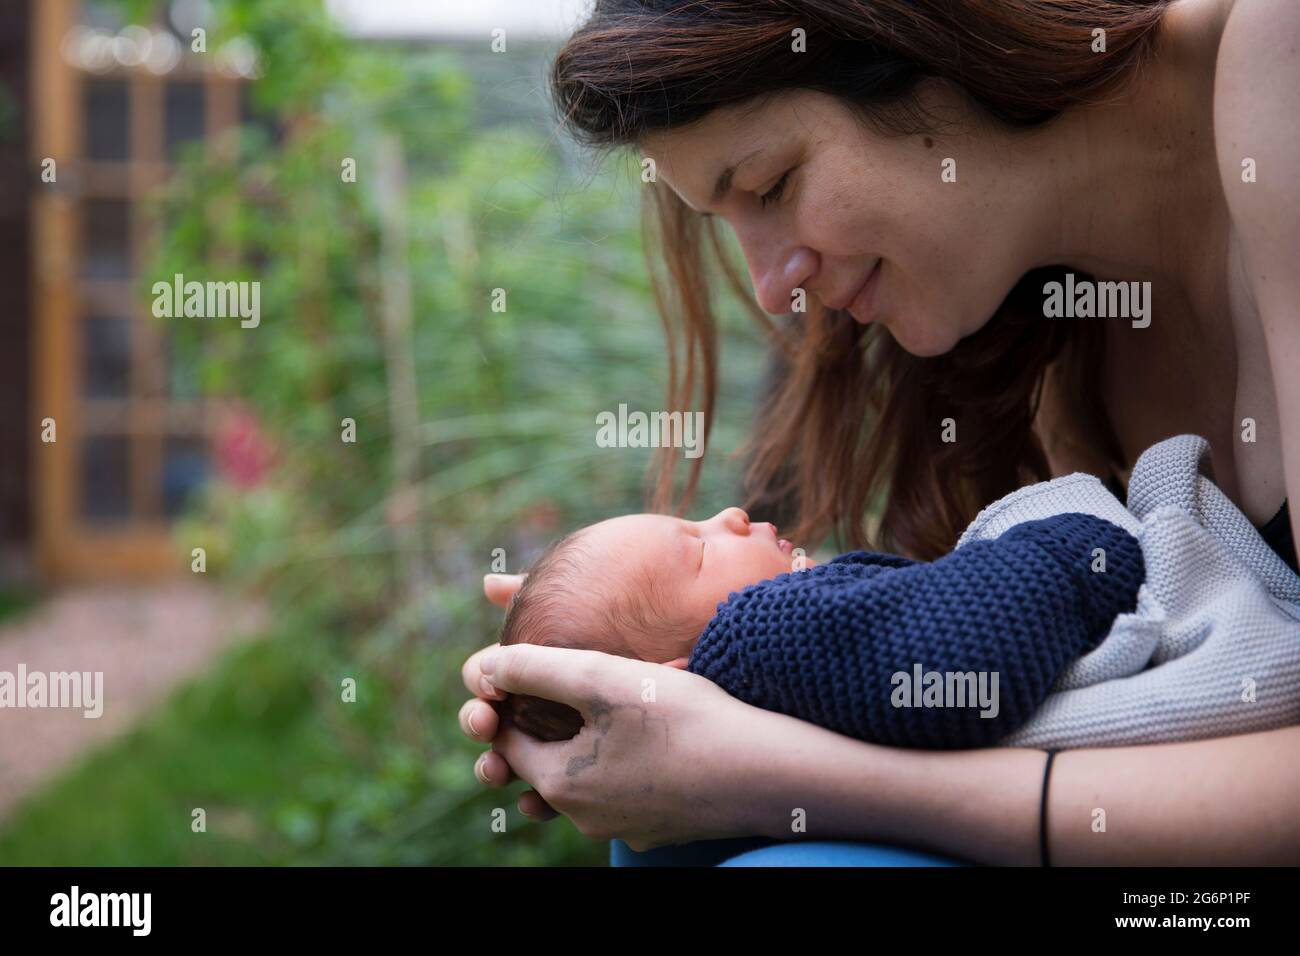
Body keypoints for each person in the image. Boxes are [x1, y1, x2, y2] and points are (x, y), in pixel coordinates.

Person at [458, 0, 1300, 865]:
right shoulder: (1038, 312)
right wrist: (644, 625)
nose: (770, 289)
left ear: (922, 37)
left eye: (771, 185)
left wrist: (770, 774)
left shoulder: (1281, 56)